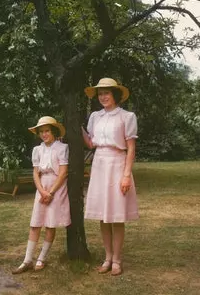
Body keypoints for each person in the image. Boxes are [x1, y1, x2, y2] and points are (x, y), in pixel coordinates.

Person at [82, 77, 139, 276]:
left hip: (117, 163)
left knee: (116, 216)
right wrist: (75, 127)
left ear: (115, 95)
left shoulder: (127, 116)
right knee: (103, 216)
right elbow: (91, 143)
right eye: (100, 93)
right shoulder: (95, 117)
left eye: (107, 93)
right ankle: (107, 257)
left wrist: (126, 175)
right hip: (99, 164)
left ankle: (117, 259)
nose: (103, 97)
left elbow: (131, 149)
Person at [12, 116, 71, 274]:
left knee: (50, 223)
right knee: (35, 223)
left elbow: (63, 172)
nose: (44, 134)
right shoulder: (37, 150)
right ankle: (27, 260)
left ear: (54, 131)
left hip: (56, 187)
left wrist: (50, 192)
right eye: (41, 132)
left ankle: (42, 258)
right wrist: (41, 191)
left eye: (47, 131)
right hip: (42, 186)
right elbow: (36, 172)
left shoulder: (62, 148)